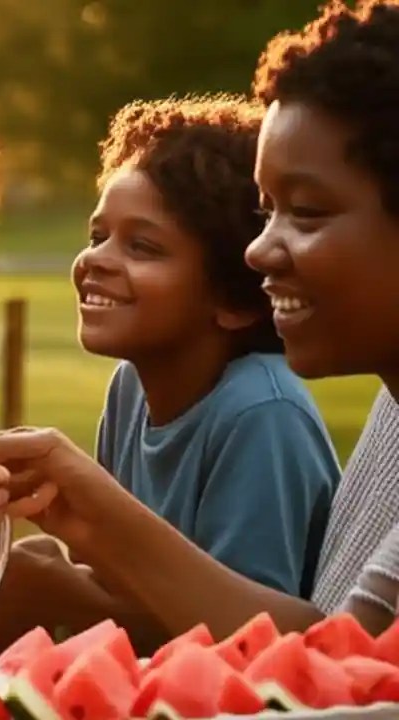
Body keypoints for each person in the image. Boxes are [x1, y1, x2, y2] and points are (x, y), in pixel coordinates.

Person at [0, 0, 399, 638]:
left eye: (305, 212)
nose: (258, 250)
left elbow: (322, 667)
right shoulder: (393, 409)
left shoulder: (262, 412)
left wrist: (76, 563)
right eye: (266, 209)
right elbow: (341, 646)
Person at [82, 96, 338, 596]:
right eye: (98, 235)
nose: (96, 259)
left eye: (143, 247)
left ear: (234, 300)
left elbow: (246, 636)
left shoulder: (262, 414)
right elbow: (111, 576)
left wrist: (54, 588)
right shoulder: (130, 388)